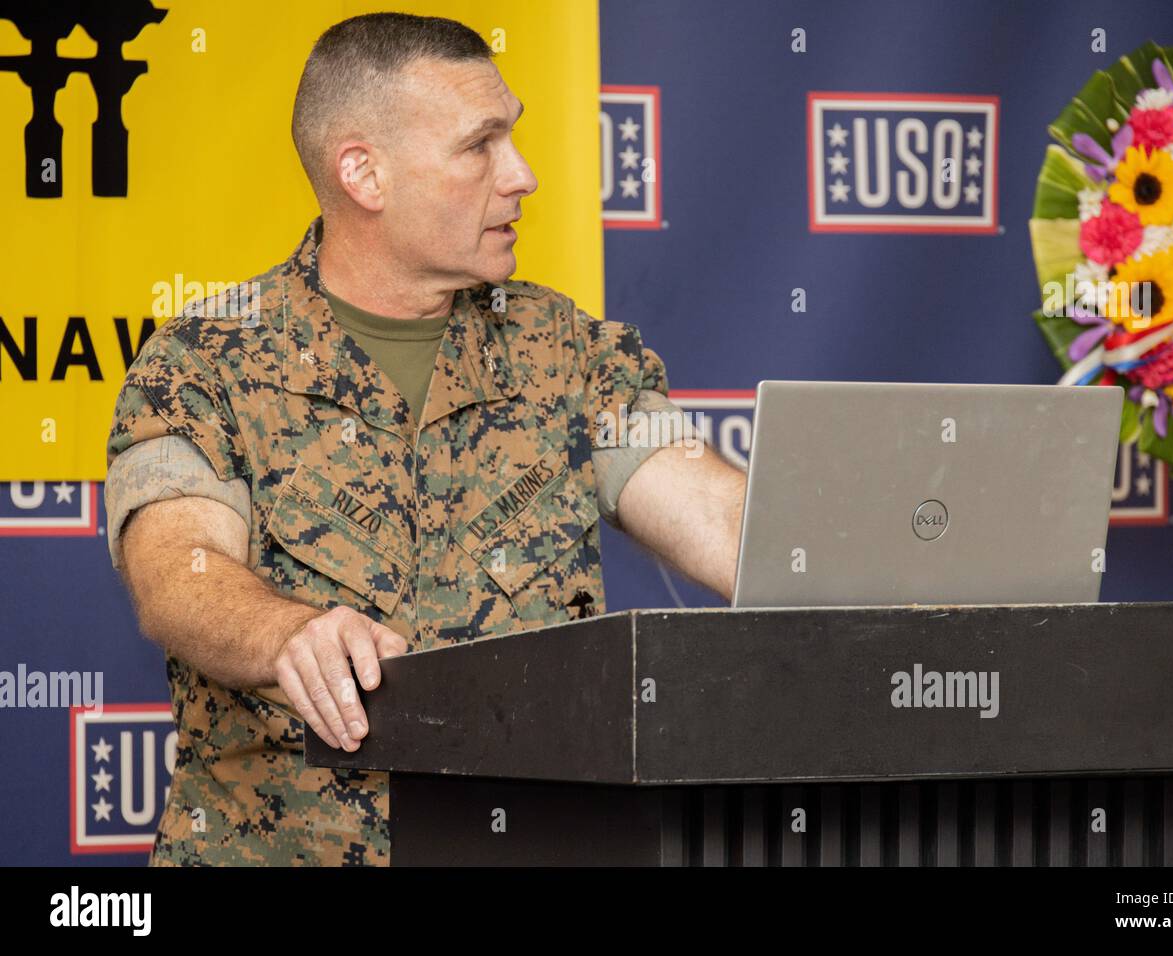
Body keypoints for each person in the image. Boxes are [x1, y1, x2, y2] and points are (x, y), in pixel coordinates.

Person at [104, 12, 745, 866]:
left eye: (512, 135)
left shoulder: (569, 352)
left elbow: (725, 523)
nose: (523, 175)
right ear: (364, 173)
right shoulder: (206, 361)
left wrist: (888, 536)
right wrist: (288, 635)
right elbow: (177, 574)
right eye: (480, 146)